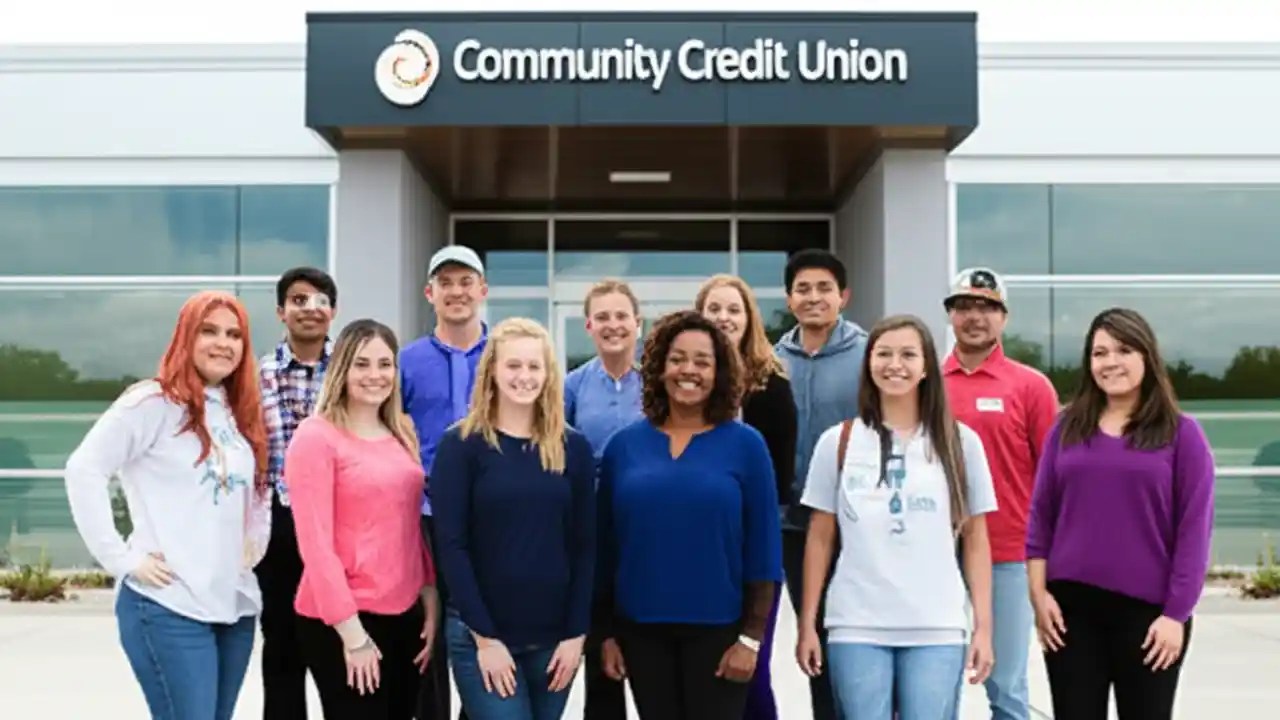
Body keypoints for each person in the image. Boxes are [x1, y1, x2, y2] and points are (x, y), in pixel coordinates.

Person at [64, 290, 271, 720]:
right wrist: (120, 557)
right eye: (209, 330)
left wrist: (255, 541)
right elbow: (83, 470)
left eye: (234, 334)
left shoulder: (237, 411)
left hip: (232, 606)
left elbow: (254, 491)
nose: (223, 342)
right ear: (185, 336)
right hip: (168, 603)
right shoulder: (152, 403)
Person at [795, 313, 997, 720]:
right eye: (883, 353)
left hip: (936, 625)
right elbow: (820, 538)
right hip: (855, 624)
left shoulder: (961, 443)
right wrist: (807, 625)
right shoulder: (839, 441)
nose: (895, 364)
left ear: (926, 368)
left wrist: (983, 628)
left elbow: (976, 539)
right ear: (868, 363)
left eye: (908, 354)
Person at [1026, 308, 1215, 720]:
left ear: (1147, 356)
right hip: (1070, 613)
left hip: (1149, 619)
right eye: (1099, 352)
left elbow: (1193, 534)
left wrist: (1175, 616)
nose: (1110, 362)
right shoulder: (1066, 429)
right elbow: (1041, 518)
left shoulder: (1183, 435)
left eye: (1124, 350)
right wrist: (1038, 596)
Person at [596, 310, 784, 720]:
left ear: (719, 374)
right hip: (640, 631)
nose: (689, 370)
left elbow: (765, 548)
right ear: (660, 366)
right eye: (678, 358)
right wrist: (606, 634)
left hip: (720, 632)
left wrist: (752, 638)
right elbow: (605, 548)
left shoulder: (746, 446)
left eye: (702, 362)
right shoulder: (623, 448)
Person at [431, 317, 597, 720]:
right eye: (513, 366)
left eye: (534, 366)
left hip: (554, 640)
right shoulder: (461, 446)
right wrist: (485, 639)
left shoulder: (572, 447)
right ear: (492, 372)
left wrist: (576, 634)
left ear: (548, 373)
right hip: (481, 636)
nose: (525, 376)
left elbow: (585, 544)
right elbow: (451, 545)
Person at [286, 319, 439, 719]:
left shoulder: (401, 432)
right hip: (343, 621)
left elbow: (407, 523)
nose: (375, 375)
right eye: (362, 363)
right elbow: (315, 546)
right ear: (341, 369)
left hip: (405, 614)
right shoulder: (316, 437)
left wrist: (429, 591)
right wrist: (353, 637)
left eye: (385, 364)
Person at [941, 267, 1060, 720]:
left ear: (1003, 318)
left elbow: (1054, 477)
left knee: (1007, 686)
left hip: (1010, 552)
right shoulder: (926, 382)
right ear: (951, 315)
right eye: (965, 306)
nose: (975, 316)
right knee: (936, 684)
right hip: (936, 552)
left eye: (987, 307)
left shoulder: (1031, 387)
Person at [695, 273, 797, 720]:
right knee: (702, 671)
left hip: (752, 551)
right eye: (714, 309)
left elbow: (779, 479)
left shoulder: (772, 387)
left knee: (750, 669)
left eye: (733, 309)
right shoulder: (683, 381)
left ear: (749, 319)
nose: (723, 318)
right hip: (694, 550)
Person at [772, 249, 867, 720]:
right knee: (817, 638)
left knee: (860, 635)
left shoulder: (870, 354)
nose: (814, 297)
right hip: (794, 526)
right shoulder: (771, 362)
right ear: (790, 299)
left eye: (824, 288)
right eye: (803, 289)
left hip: (858, 523)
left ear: (843, 296)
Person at [402, 244, 489, 720]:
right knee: (428, 639)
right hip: (426, 521)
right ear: (429, 293)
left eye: (465, 281)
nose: (456, 292)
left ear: (482, 290)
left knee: (483, 631)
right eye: (446, 283)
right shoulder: (404, 362)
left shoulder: (507, 357)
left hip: (491, 521)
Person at [256, 266, 338, 720]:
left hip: (336, 523)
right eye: (299, 300)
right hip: (279, 524)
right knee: (282, 643)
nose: (310, 308)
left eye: (320, 299)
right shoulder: (259, 374)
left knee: (333, 639)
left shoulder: (350, 367)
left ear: (334, 311)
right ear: (281, 312)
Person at [563, 278, 644, 720]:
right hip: (594, 526)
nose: (613, 325)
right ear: (589, 326)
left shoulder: (658, 381)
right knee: (601, 657)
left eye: (621, 316)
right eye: (603, 317)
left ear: (638, 322)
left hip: (648, 525)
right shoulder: (573, 386)